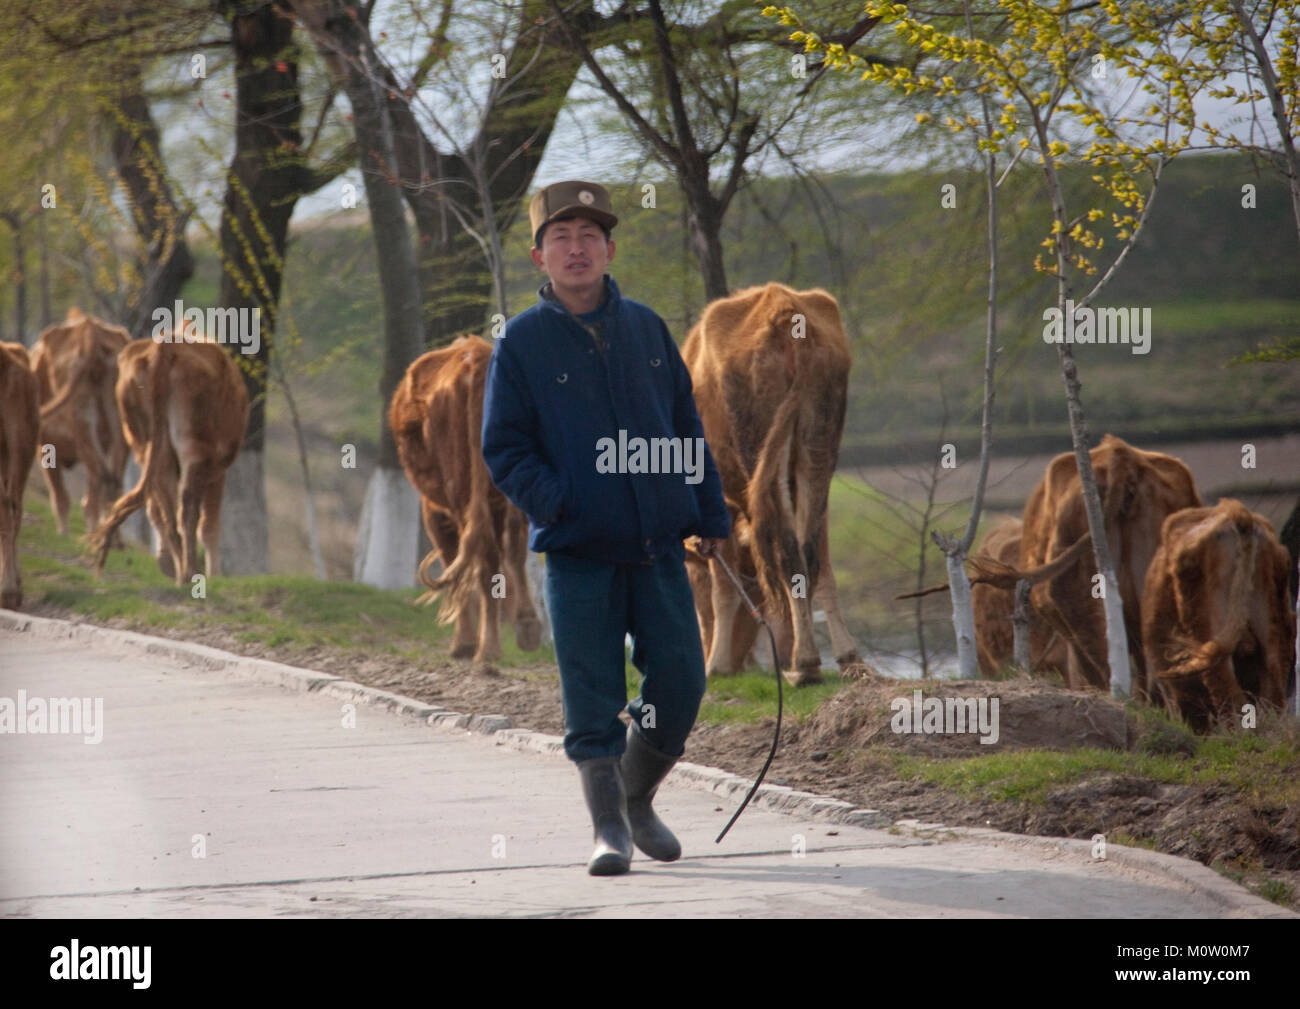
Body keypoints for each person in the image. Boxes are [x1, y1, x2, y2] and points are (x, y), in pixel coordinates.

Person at [481, 180, 731, 875]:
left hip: (657, 548)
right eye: (561, 237)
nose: (576, 247)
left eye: (589, 235)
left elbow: (686, 428)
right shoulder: (522, 343)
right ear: (541, 257)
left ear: (610, 249)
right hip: (578, 552)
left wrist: (709, 514)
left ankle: (636, 793)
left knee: (681, 679)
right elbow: (503, 447)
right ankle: (608, 827)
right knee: (591, 690)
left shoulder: (647, 329)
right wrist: (560, 502)